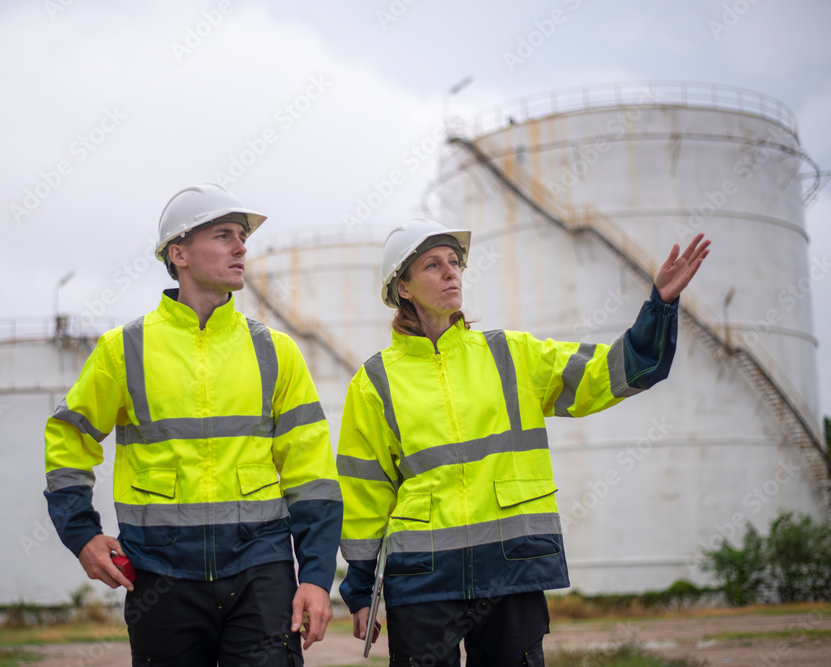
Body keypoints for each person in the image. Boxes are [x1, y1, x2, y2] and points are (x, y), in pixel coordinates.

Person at [336, 219, 710, 666]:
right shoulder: (374, 382)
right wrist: (360, 589)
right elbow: (363, 491)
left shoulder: (511, 355)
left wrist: (660, 306)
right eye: (432, 265)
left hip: (510, 569)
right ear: (404, 289)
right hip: (423, 579)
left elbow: (609, 373)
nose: (451, 272)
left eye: (454, 262)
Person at [44, 183, 343, 666]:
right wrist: (81, 533)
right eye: (224, 235)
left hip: (261, 573)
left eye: (241, 236)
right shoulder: (124, 350)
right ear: (178, 253)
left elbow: (312, 475)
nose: (242, 247)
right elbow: (69, 436)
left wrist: (314, 575)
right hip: (160, 575)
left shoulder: (275, 352)